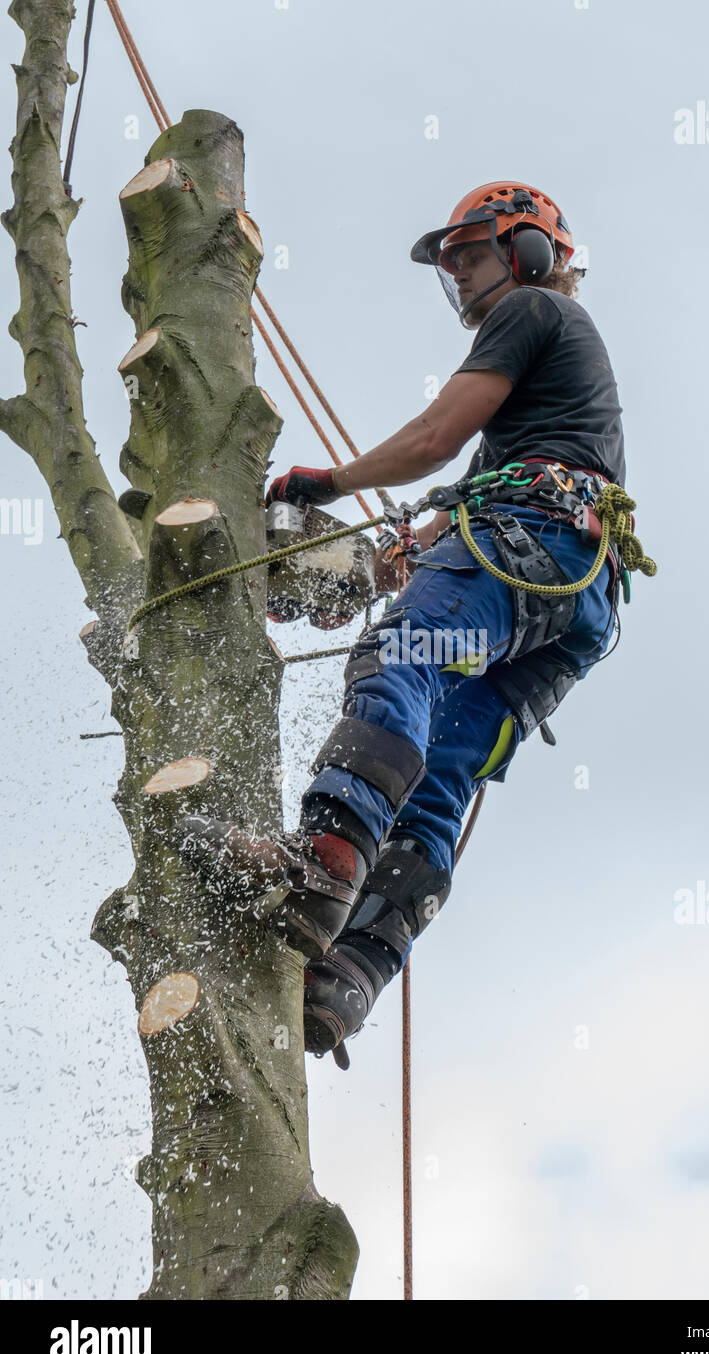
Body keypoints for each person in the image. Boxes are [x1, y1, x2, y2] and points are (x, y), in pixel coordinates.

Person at [178, 183, 630, 1064]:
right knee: (440, 775)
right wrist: (389, 561)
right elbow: (463, 505)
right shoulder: (552, 399)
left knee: (403, 651)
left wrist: (327, 484)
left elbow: (433, 441)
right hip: (576, 599)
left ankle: (324, 860)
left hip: (532, 542)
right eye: (451, 264)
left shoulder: (533, 310)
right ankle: (350, 973)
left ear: (531, 252)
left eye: (472, 254)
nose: (459, 276)